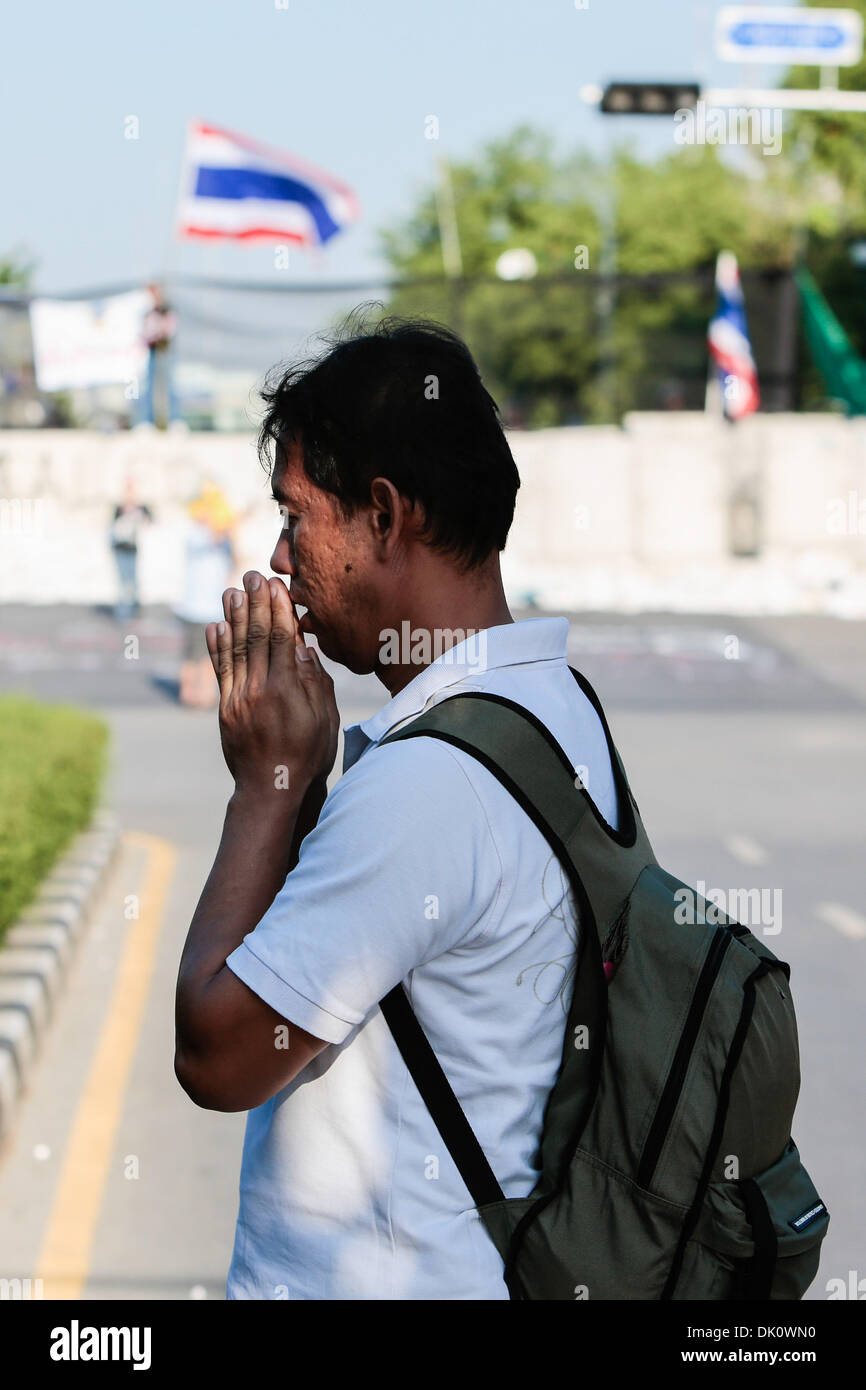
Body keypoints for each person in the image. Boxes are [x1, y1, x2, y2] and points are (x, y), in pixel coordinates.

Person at [174, 314, 619, 1299]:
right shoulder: (553, 706)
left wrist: (266, 784)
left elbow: (217, 1055)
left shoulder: (433, 781)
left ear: (383, 515)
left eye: (294, 516)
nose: (280, 561)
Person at [174, 482, 237, 709]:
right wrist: (233, 521)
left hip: (213, 607)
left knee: (211, 655)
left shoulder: (224, 537)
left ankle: (206, 694)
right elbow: (215, 536)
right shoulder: (196, 533)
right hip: (193, 607)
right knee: (191, 655)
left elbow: (235, 561)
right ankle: (188, 693)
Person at [109, 478, 152, 620]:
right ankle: (123, 614)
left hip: (132, 549)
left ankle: (133, 611)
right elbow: (112, 529)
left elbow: (150, 521)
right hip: (120, 549)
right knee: (123, 583)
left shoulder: (140, 507)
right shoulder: (119, 508)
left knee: (132, 582)